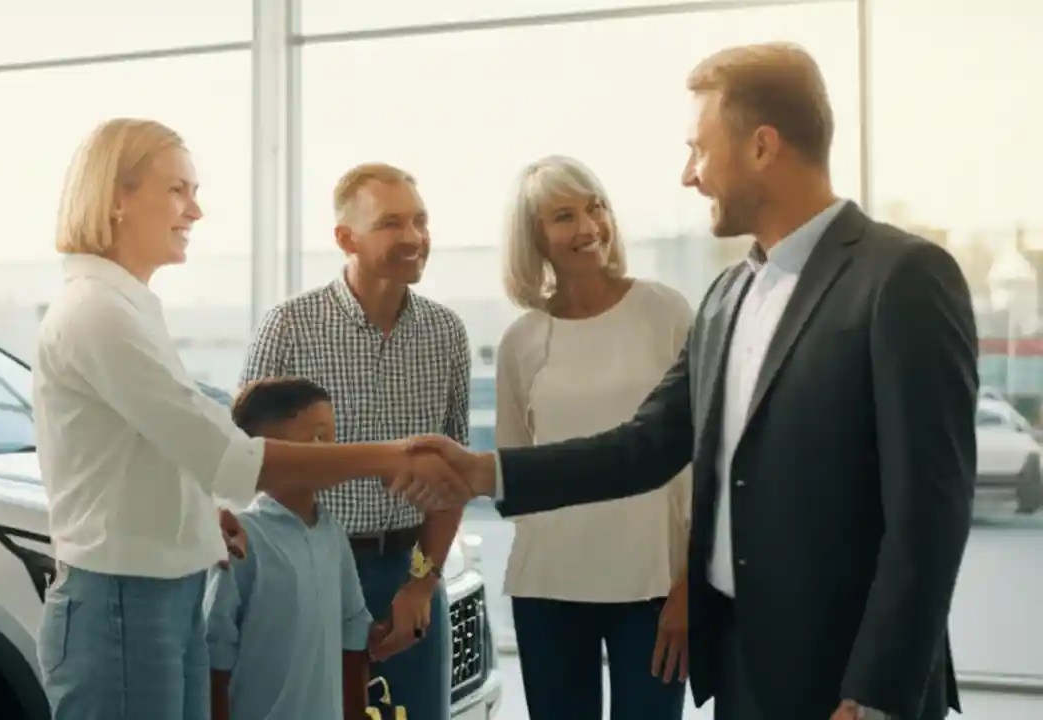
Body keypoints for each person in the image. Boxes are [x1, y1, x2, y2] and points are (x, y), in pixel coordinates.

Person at [398, 42, 977, 720]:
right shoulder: (728, 295)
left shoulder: (902, 277)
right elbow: (644, 445)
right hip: (742, 667)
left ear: (761, 147)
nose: (688, 175)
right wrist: (482, 473)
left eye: (698, 150)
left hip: (846, 680)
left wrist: (876, 696)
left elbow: (931, 517)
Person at [33, 119, 461, 720]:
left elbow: (155, 452)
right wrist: (391, 455)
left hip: (156, 594)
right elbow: (231, 452)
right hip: (124, 603)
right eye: (179, 190)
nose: (196, 211)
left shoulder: (130, 308)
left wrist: (203, 520)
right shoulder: (97, 315)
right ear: (117, 198)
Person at [240, 162, 469, 720]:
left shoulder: (446, 333)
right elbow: (247, 461)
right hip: (306, 565)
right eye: (392, 223)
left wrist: (421, 584)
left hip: (408, 572)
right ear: (346, 238)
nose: (414, 237)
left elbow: (453, 478)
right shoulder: (288, 326)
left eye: (421, 220)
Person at [496, 154, 692, 719]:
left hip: (653, 589)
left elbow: (703, 460)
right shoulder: (522, 341)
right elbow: (516, 478)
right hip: (549, 586)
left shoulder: (666, 312)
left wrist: (687, 588)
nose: (588, 228)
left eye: (595, 207)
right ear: (534, 237)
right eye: (564, 216)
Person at [206, 377, 392, 720]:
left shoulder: (333, 534)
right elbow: (215, 653)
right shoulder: (243, 537)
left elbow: (353, 634)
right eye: (318, 438)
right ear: (267, 449)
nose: (332, 452)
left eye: (333, 438)